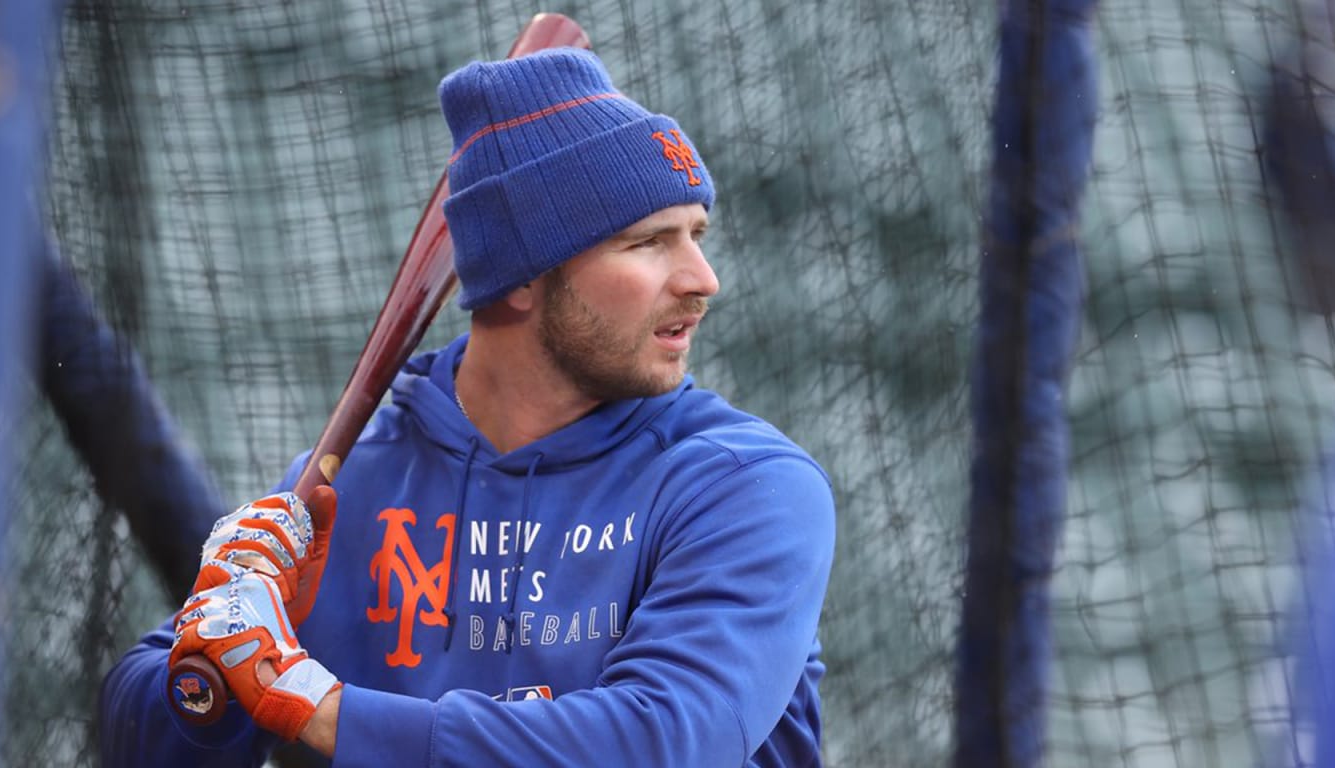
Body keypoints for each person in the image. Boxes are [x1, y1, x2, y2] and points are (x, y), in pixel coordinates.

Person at [99, 47, 836, 767]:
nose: (702, 279)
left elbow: (657, 744)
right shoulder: (347, 487)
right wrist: (219, 663)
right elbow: (147, 736)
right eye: (649, 243)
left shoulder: (743, 486)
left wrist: (318, 707)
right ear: (521, 278)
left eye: (695, 235)